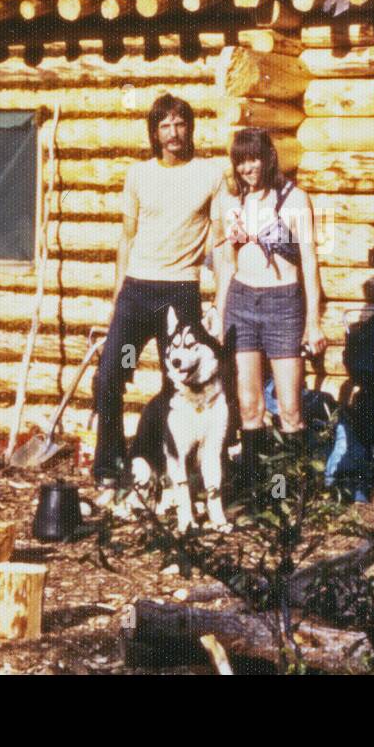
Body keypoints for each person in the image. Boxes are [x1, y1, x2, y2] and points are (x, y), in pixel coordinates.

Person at [91, 94, 225, 492]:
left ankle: (159, 462)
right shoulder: (138, 175)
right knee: (109, 376)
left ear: (190, 129)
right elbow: (126, 237)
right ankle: (110, 467)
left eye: (180, 124)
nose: (173, 132)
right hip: (136, 291)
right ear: (154, 133)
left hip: (180, 292)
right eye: (165, 125)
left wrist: (219, 298)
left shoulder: (210, 174)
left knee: (177, 388)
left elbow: (219, 242)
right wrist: (118, 296)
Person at [211, 128, 328, 483]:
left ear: (268, 158)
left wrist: (313, 321)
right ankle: (255, 491)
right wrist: (219, 313)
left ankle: (292, 494)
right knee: (249, 406)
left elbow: (309, 261)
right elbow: (226, 263)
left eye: (255, 158)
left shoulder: (294, 199)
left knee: (290, 409)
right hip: (242, 302)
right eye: (242, 161)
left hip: (283, 306)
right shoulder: (233, 203)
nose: (249, 167)